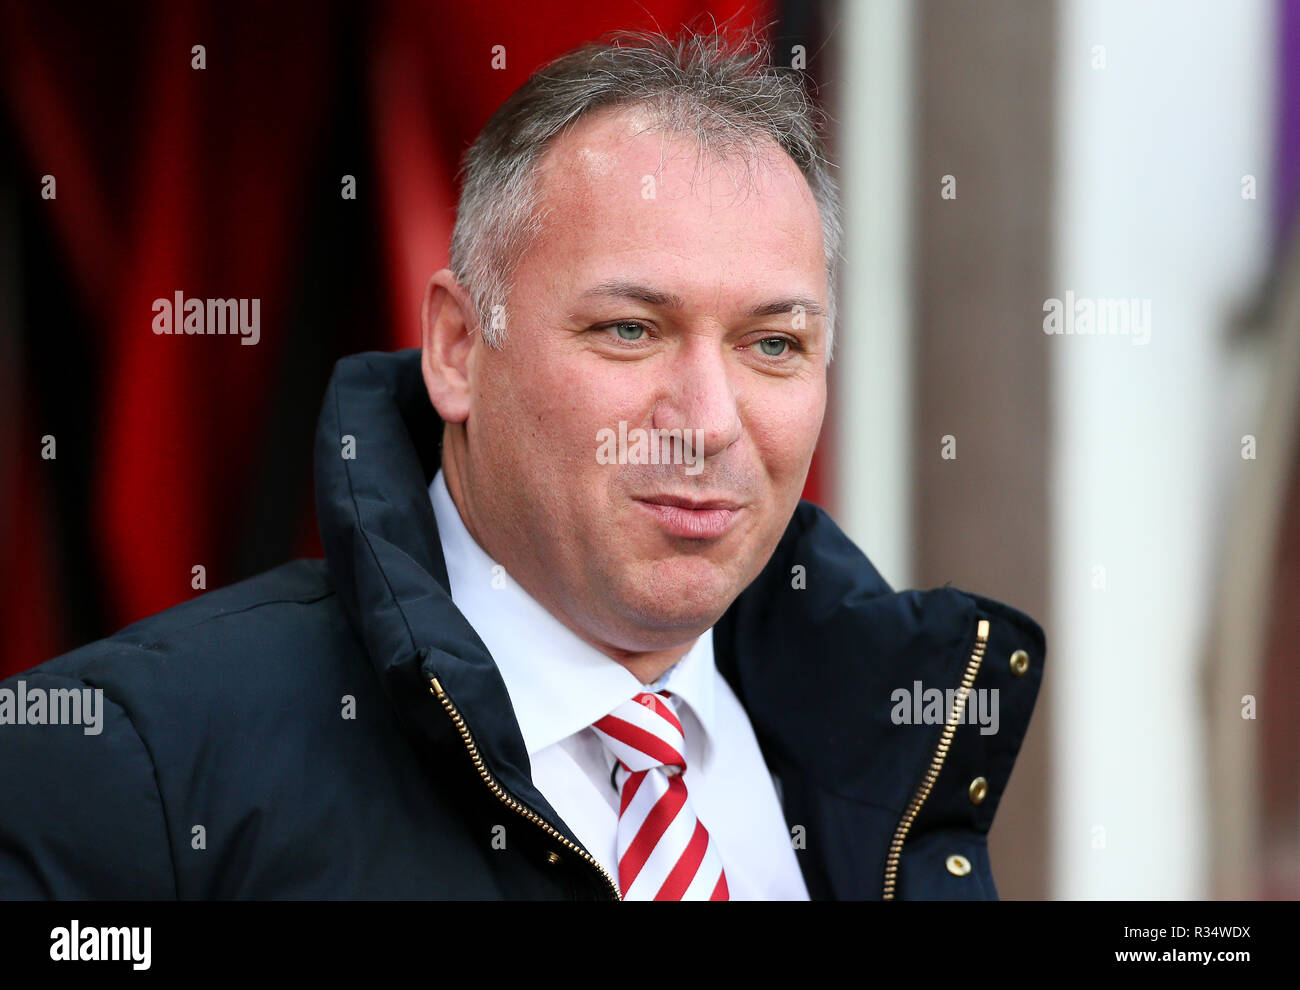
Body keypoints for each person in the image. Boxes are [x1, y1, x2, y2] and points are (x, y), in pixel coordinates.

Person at [0, 27, 1045, 900]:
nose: (708, 421)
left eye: (772, 345)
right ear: (458, 348)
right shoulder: (131, 761)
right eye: (631, 330)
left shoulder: (890, 751)